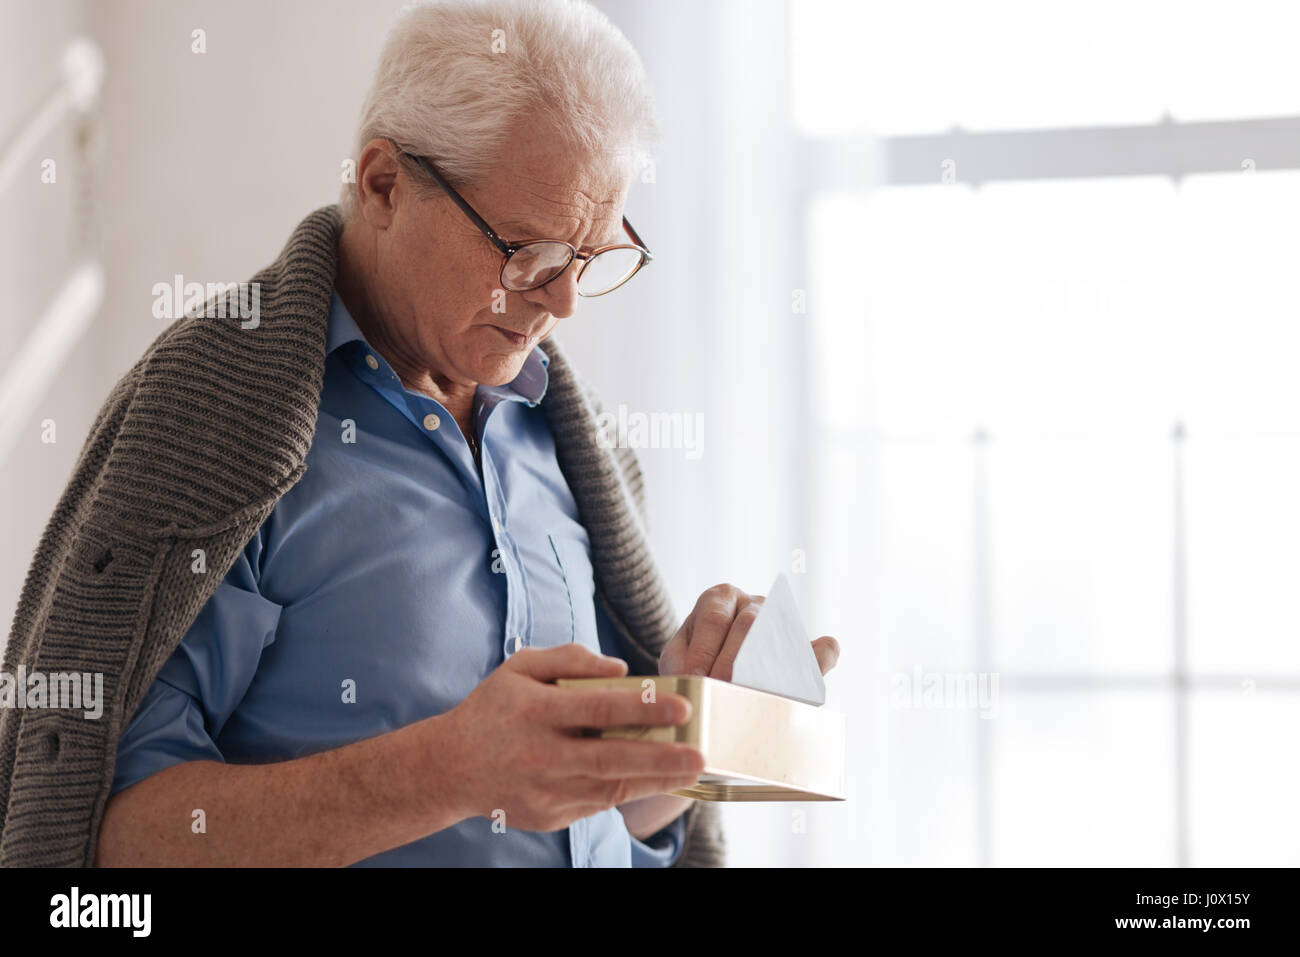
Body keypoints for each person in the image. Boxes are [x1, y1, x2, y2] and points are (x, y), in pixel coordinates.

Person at [0, 0, 837, 868]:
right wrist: (448, 770)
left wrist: (680, 745)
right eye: (529, 254)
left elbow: (603, 827)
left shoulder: (576, 443)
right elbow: (102, 842)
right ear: (384, 185)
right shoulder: (213, 419)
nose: (563, 303)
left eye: (589, 258)